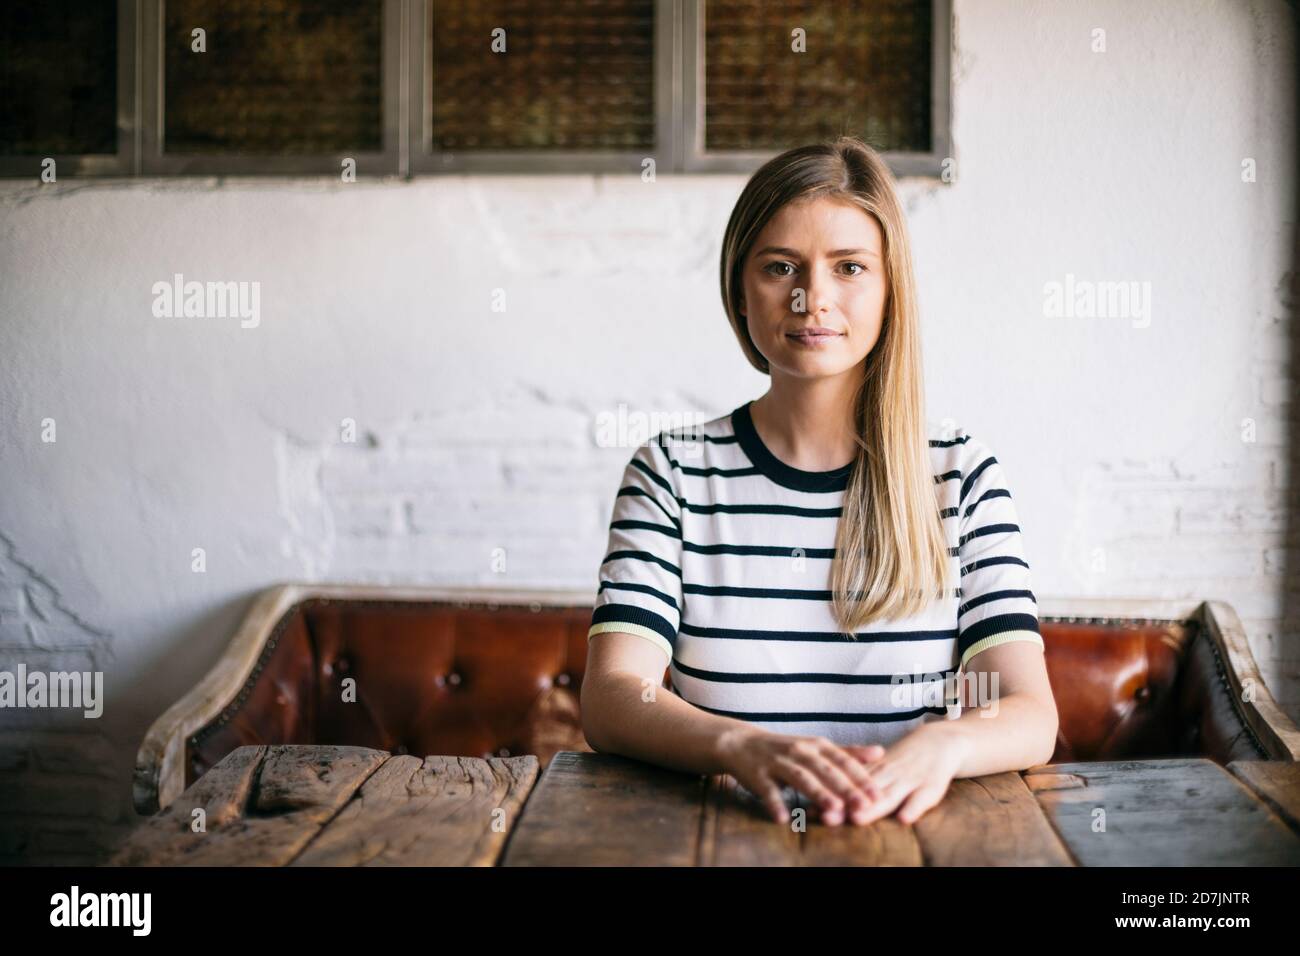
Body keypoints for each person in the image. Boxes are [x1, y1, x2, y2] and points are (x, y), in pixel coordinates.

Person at [581, 136, 1058, 828]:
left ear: (891, 289)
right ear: (740, 289)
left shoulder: (961, 477)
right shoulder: (672, 473)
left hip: (893, 848)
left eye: (850, 267)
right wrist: (738, 744)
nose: (813, 297)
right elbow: (613, 695)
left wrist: (944, 745)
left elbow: (1028, 712)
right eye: (781, 267)